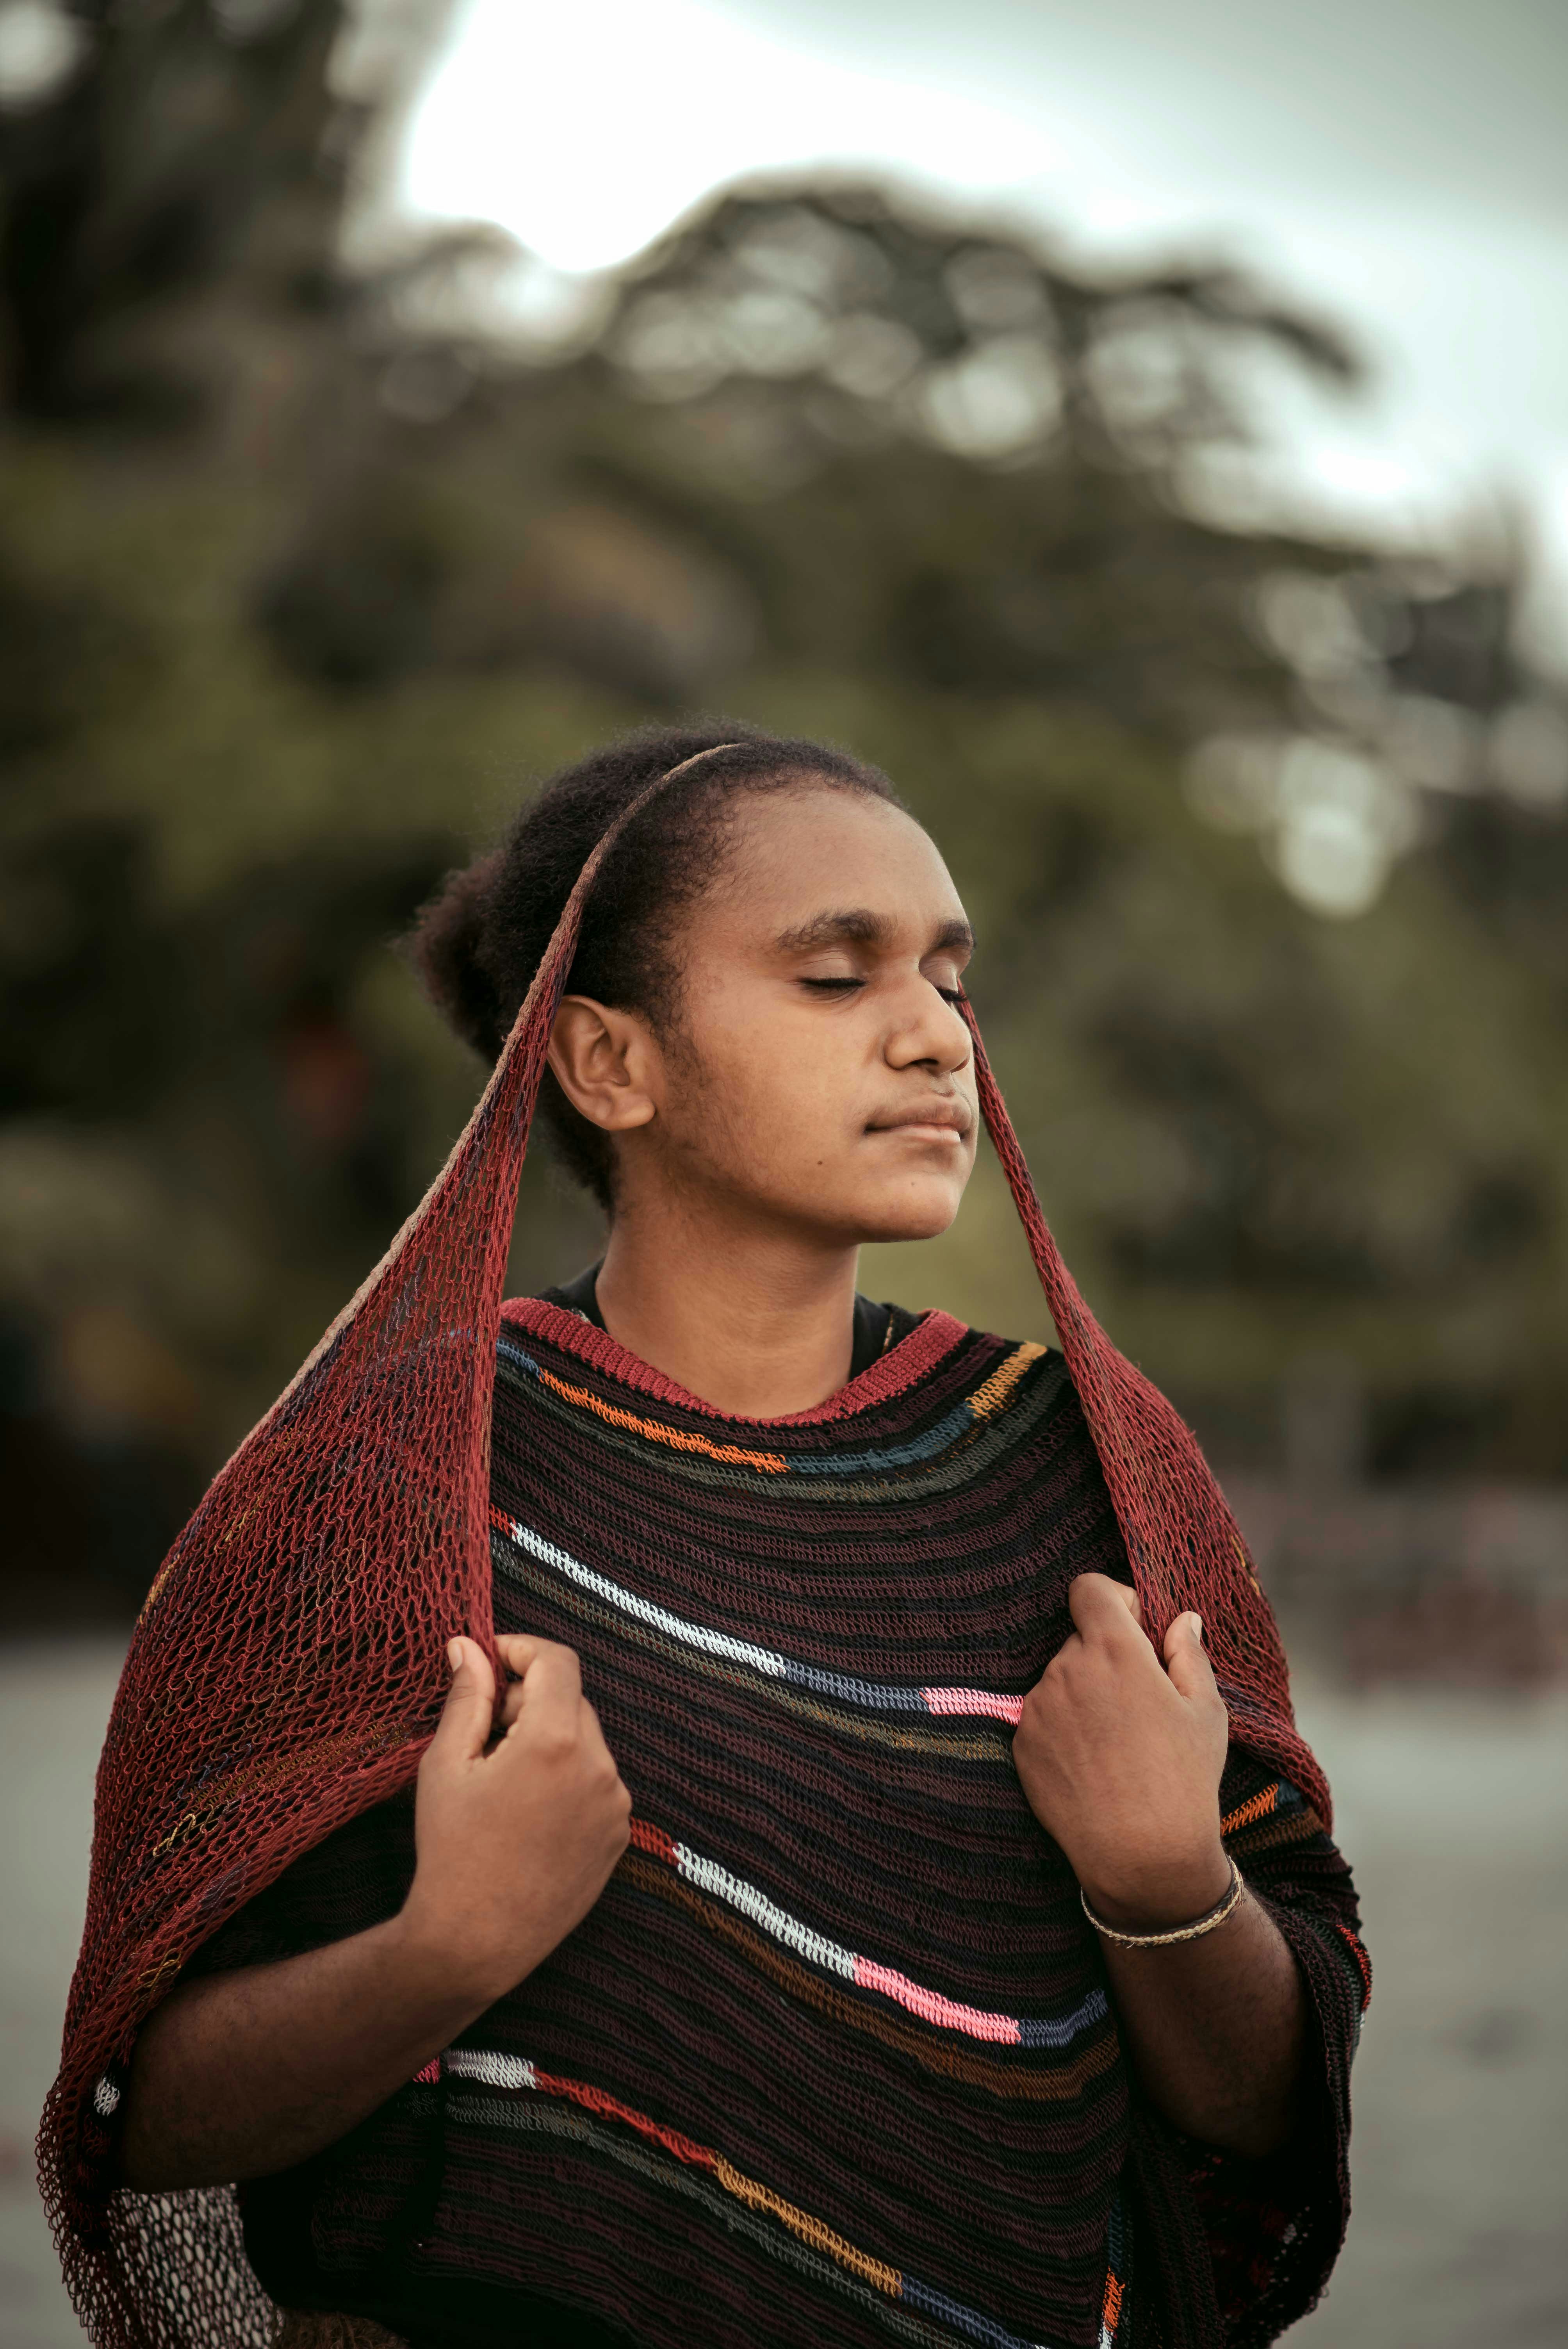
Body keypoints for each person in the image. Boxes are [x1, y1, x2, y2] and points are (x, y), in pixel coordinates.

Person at [57, 724, 1367, 2349]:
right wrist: (442, 1947)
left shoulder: (1076, 1466)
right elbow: (148, 2108)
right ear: (610, 1062)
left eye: (949, 978)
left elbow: (1269, 2108)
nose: (933, 1038)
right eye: (836, 977)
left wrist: (1164, 1880)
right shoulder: (386, 1486)